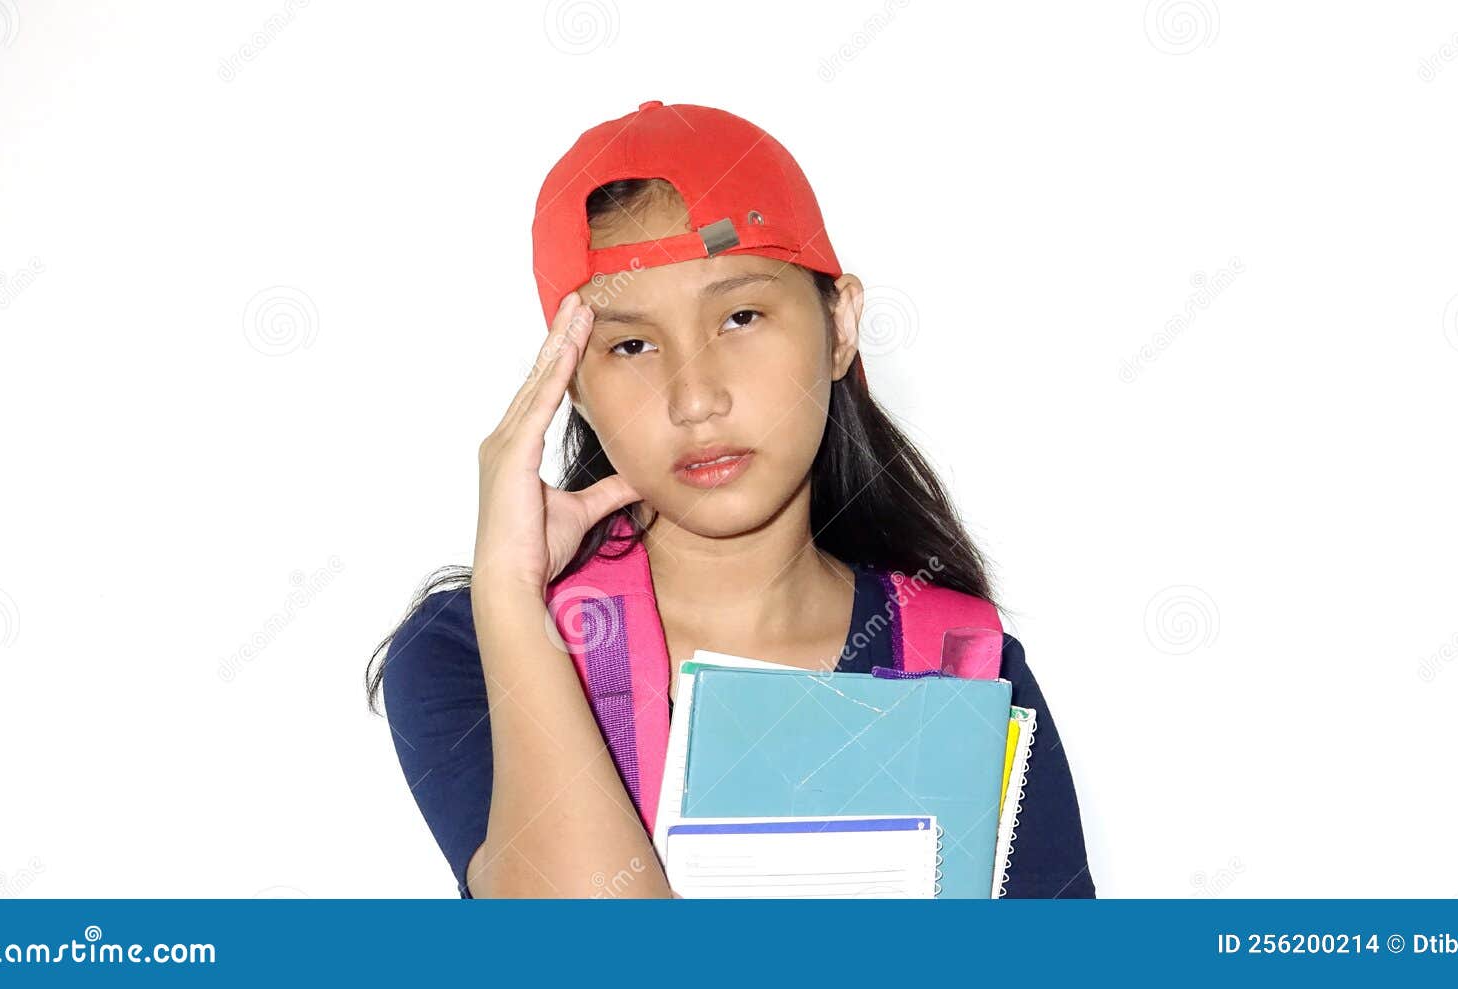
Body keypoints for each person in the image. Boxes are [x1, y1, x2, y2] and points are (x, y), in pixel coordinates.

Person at [366, 101, 1094, 899]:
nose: (695, 397)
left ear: (840, 322)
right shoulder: (472, 651)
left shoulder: (966, 666)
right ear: (569, 383)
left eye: (741, 316)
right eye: (631, 344)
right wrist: (508, 592)